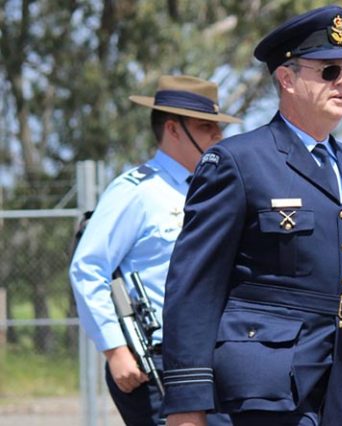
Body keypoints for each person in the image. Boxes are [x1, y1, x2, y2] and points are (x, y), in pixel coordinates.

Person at [159, 6, 342, 426]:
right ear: (286, 79)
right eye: (327, 71)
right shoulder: (238, 162)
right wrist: (186, 402)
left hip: (341, 391)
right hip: (262, 393)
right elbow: (194, 285)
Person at [69, 75, 240, 426]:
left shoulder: (217, 190)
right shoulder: (136, 192)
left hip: (217, 356)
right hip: (160, 363)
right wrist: (115, 349)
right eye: (206, 126)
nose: (218, 136)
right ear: (174, 130)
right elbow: (88, 268)